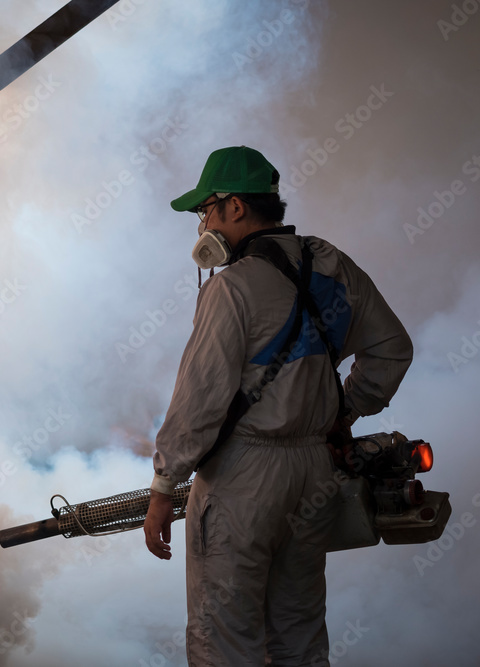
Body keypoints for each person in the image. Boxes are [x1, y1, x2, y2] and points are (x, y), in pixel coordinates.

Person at [142, 146, 413, 665]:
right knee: (298, 633)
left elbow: (199, 401)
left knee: (225, 639)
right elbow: (391, 349)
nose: (202, 223)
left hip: (245, 477)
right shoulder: (331, 265)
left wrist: (163, 487)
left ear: (235, 209)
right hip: (315, 471)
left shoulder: (233, 287)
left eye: (207, 210)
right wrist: (342, 414)